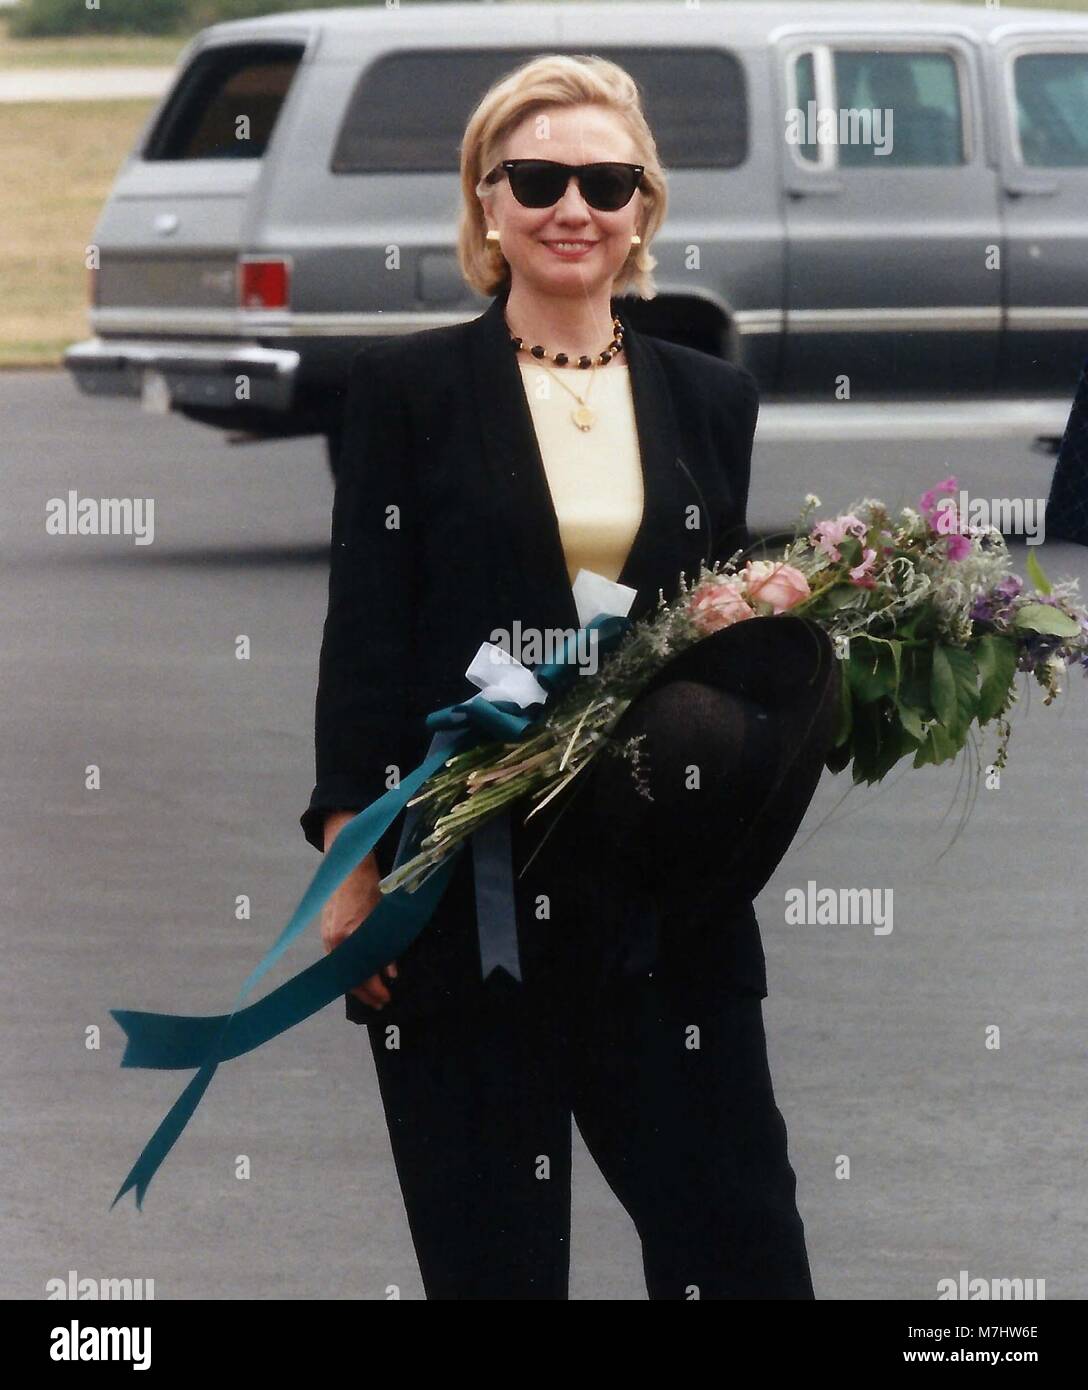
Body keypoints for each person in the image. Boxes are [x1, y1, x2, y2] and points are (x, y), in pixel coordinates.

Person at [301, 54, 818, 1299]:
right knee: (491, 1264)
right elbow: (367, 638)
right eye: (535, 179)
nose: (570, 207)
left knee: (738, 1244)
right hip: (463, 894)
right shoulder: (405, 389)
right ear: (485, 203)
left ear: (644, 207)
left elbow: (705, 642)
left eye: (604, 180)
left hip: (664, 907)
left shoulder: (709, 396)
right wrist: (348, 861)